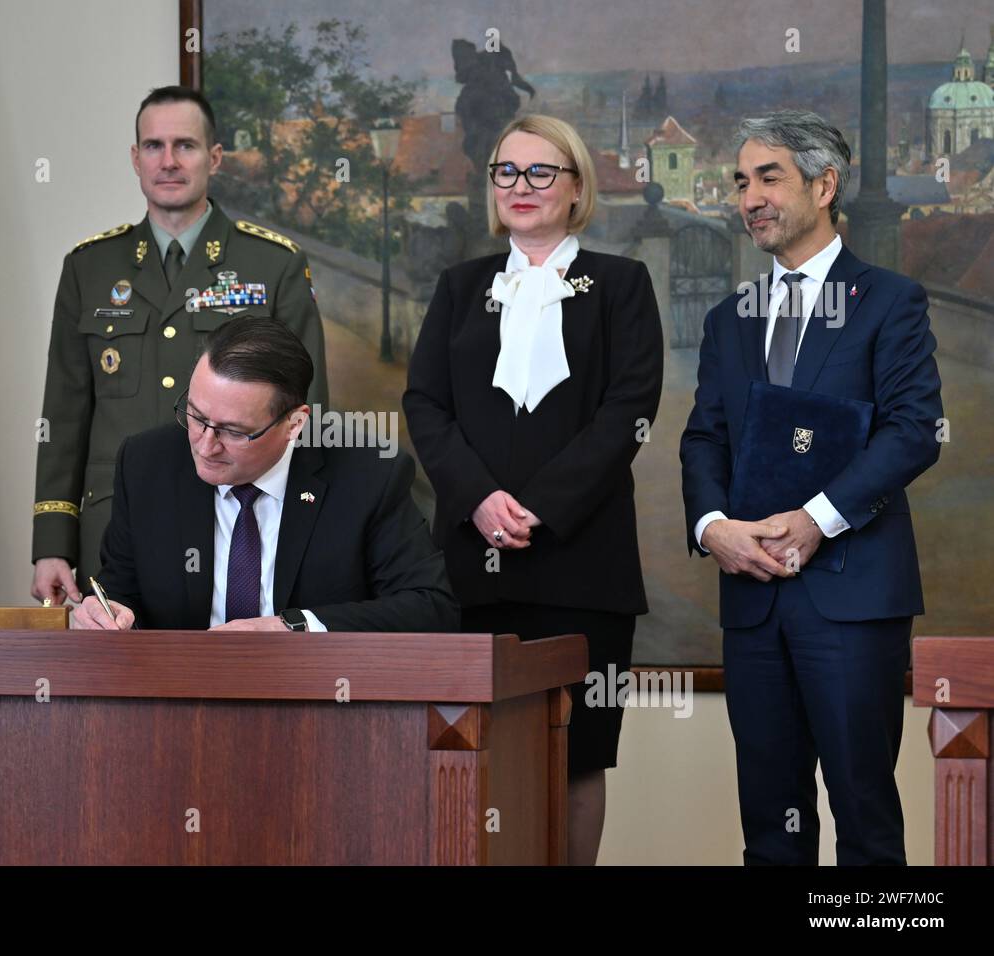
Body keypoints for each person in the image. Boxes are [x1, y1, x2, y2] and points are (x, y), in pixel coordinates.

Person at [680, 110, 943, 865]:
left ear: (825, 185)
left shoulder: (891, 300)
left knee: (864, 817)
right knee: (770, 823)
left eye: (769, 177)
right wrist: (712, 528)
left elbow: (912, 430)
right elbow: (704, 439)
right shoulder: (731, 318)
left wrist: (817, 520)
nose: (749, 197)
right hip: (753, 600)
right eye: (741, 181)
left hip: (853, 596)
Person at [403, 114, 664, 865]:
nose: (521, 186)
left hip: (586, 570)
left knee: (581, 757)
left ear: (577, 185)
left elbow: (629, 410)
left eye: (540, 171)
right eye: (506, 172)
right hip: (469, 566)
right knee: (469, 751)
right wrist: (479, 499)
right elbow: (425, 403)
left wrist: (541, 509)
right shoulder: (459, 288)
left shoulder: (621, 284)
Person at [32, 85, 329, 606]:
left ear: (214, 157)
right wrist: (52, 543)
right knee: (116, 678)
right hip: (116, 523)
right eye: (153, 146)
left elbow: (310, 409)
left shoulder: (273, 263)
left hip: (240, 518)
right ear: (135, 157)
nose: (168, 161)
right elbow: (64, 412)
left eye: (185, 146)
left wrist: (309, 526)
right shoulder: (88, 267)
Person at [73, 317, 457, 634]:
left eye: (234, 431)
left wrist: (294, 627)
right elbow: (121, 591)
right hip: (180, 700)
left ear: (294, 424)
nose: (205, 446)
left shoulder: (369, 475)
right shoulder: (147, 465)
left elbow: (429, 608)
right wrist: (105, 614)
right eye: (195, 416)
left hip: (320, 702)